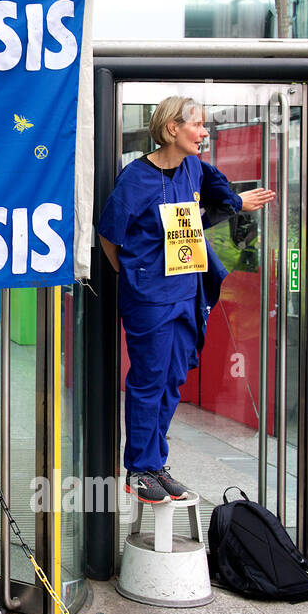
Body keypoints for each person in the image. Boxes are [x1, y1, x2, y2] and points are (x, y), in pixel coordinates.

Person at [97, 97, 274, 504]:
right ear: (172, 128)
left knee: (174, 378)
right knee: (149, 379)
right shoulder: (136, 178)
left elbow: (217, 194)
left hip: (187, 291)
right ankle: (139, 468)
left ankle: (156, 463)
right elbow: (109, 233)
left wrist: (237, 202)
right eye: (198, 124)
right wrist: (132, 274)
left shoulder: (194, 167)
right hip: (151, 297)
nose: (205, 131)